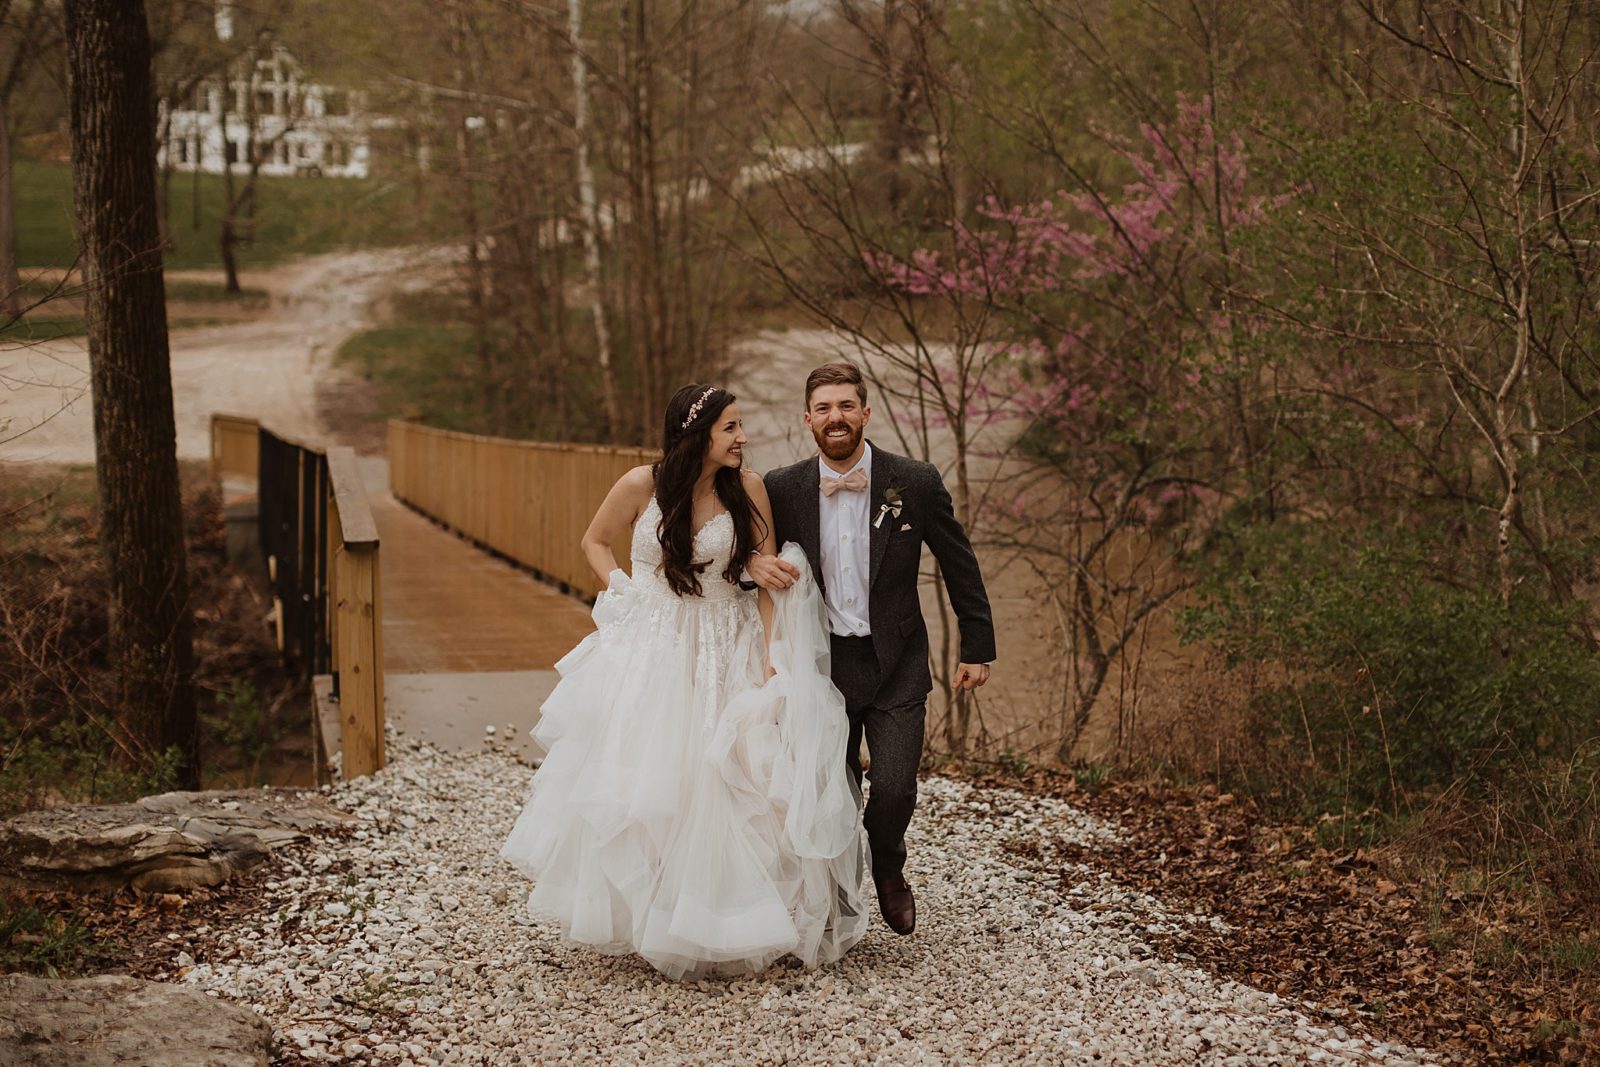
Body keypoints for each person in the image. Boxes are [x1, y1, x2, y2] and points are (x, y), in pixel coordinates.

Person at [499, 384, 868, 980]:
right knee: (650, 778)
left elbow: (767, 572)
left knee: (725, 779)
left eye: (741, 425)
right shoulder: (640, 485)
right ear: (697, 434)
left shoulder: (748, 489)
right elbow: (594, 542)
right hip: (653, 644)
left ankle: (717, 919)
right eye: (731, 428)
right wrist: (621, 587)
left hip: (727, 642)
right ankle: (647, 913)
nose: (742, 438)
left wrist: (775, 659)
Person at [748, 361, 996, 936]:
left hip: (898, 661)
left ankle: (889, 868)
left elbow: (960, 564)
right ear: (807, 419)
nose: (836, 417)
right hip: (821, 664)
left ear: (865, 412)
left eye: (846, 406)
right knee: (831, 791)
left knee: (895, 787)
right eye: (824, 408)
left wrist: (976, 644)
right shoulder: (780, 488)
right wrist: (753, 566)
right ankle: (836, 895)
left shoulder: (914, 480)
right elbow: (748, 562)